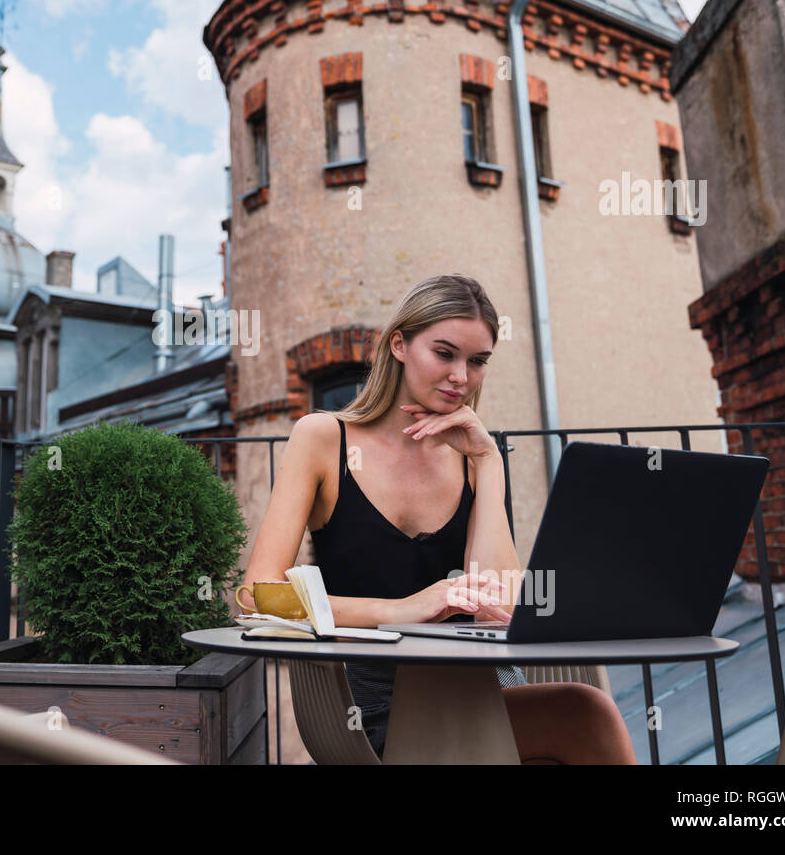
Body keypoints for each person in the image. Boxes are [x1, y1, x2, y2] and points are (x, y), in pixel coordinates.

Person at [240, 273, 637, 764]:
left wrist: (489, 464)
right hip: (378, 705)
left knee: (583, 711)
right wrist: (400, 609)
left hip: (484, 687)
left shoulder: (474, 454)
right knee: (585, 712)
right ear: (399, 344)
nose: (461, 377)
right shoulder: (323, 438)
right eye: (445, 354)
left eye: (478, 361)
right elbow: (256, 597)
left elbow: (502, 601)